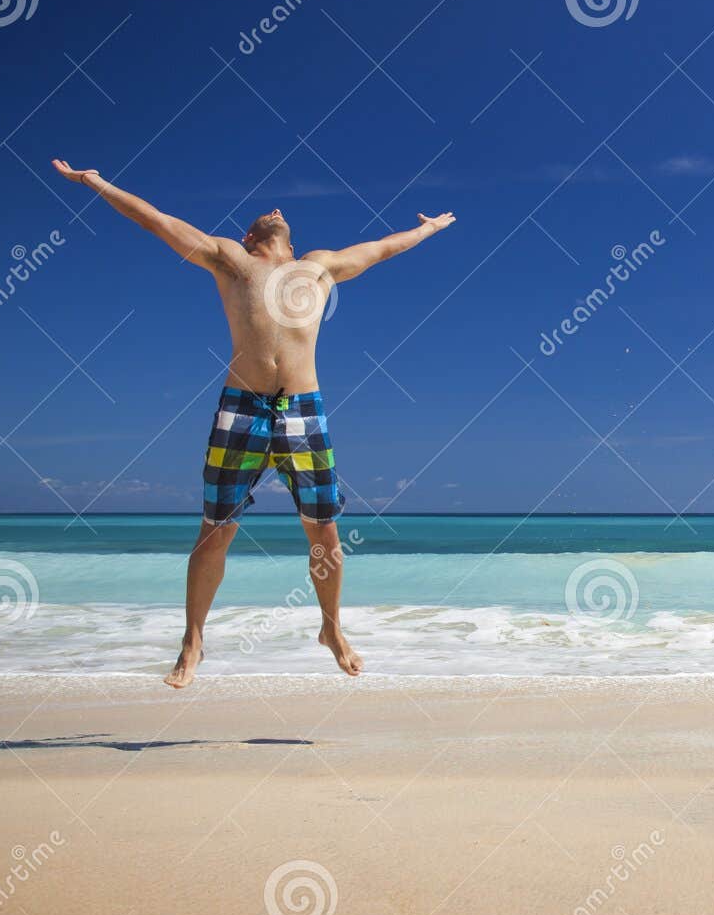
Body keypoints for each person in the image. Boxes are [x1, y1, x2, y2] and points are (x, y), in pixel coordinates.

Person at [51, 158, 455, 688]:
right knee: (216, 529)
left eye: (283, 209)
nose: (280, 207)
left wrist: (425, 228)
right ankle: (192, 640)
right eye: (270, 209)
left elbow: (381, 248)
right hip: (241, 407)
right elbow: (154, 219)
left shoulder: (320, 266)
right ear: (253, 233)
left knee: (325, 533)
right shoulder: (230, 258)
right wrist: (95, 181)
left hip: (304, 411)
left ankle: (331, 629)